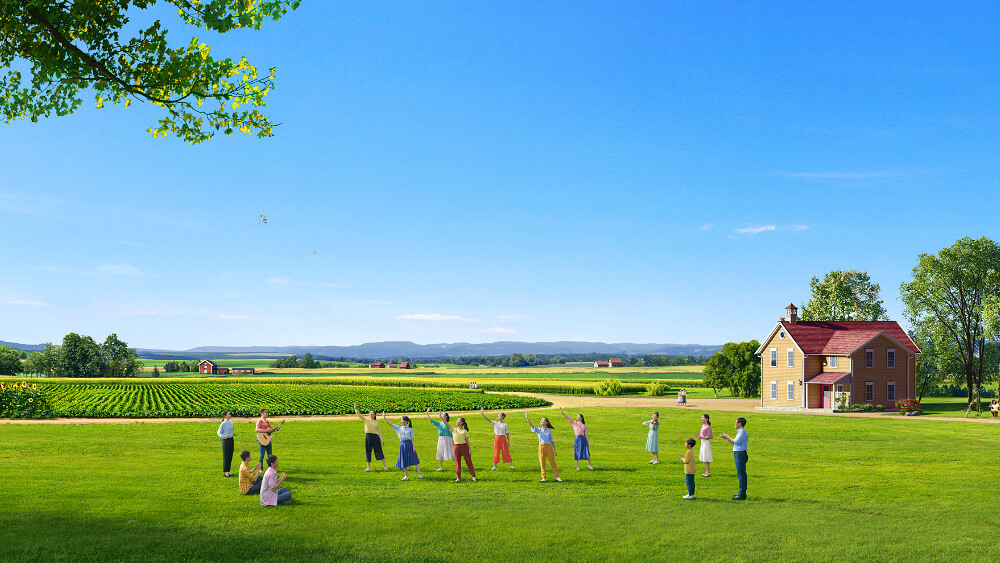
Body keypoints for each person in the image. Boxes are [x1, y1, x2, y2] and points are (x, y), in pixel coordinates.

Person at [384, 411, 423, 481]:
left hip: (409, 445)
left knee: (415, 459)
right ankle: (406, 476)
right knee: (403, 460)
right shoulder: (398, 428)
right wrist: (384, 417)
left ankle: (419, 474)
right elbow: (390, 424)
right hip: (402, 445)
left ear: (406, 421)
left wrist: (413, 447)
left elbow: (412, 439)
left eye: (402, 420)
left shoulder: (411, 429)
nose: (401, 421)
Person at [525, 411, 561, 482]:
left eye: (542, 420)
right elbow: (531, 425)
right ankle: (544, 477)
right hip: (541, 447)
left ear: (546, 422)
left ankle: (557, 477)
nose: (541, 421)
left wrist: (555, 450)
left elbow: (552, 441)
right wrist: (527, 418)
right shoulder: (538, 430)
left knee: (552, 462)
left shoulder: (549, 432)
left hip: (549, 447)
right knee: (542, 462)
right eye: (541, 420)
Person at [720, 416, 749, 500]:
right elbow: (735, 443)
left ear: (740, 423)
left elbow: (736, 442)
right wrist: (727, 438)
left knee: (741, 474)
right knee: (740, 474)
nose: (735, 423)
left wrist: (727, 437)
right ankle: (741, 492)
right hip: (738, 454)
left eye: (736, 422)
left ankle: (742, 493)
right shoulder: (739, 432)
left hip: (740, 455)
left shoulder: (742, 432)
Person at [355, 402, 387, 471]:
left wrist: (382, 440)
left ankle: (384, 466)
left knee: (379, 451)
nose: (371, 414)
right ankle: (368, 467)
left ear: (374, 415)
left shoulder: (377, 422)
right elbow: (360, 415)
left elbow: (379, 432)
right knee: (368, 451)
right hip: (368, 437)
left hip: (376, 437)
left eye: (372, 413)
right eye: (370, 413)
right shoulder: (366, 420)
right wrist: (355, 408)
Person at [451, 417, 477, 482]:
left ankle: (473, 476)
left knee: (468, 461)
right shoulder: (454, 429)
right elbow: (446, 424)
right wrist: (441, 417)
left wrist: (469, 449)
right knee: (457, 462)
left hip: (464, 447)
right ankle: (458, 477)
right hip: (456, 447)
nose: (456, 421)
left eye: (458, 420)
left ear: (461, 423)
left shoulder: (464, 431)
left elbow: (467, 440)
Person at [217, 410, 235, 477]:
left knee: (230, 455)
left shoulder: (231, 422)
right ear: (225, 416)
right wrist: (224, 436)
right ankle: (225, 471)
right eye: (228, 414)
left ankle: (228, 470)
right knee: (226, 456)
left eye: (230, 414)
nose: (230, 415)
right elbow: (218, 433)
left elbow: (230, 431)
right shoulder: (223, 424)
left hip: (231, 440)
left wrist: (233, 434)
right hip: (225, 441)